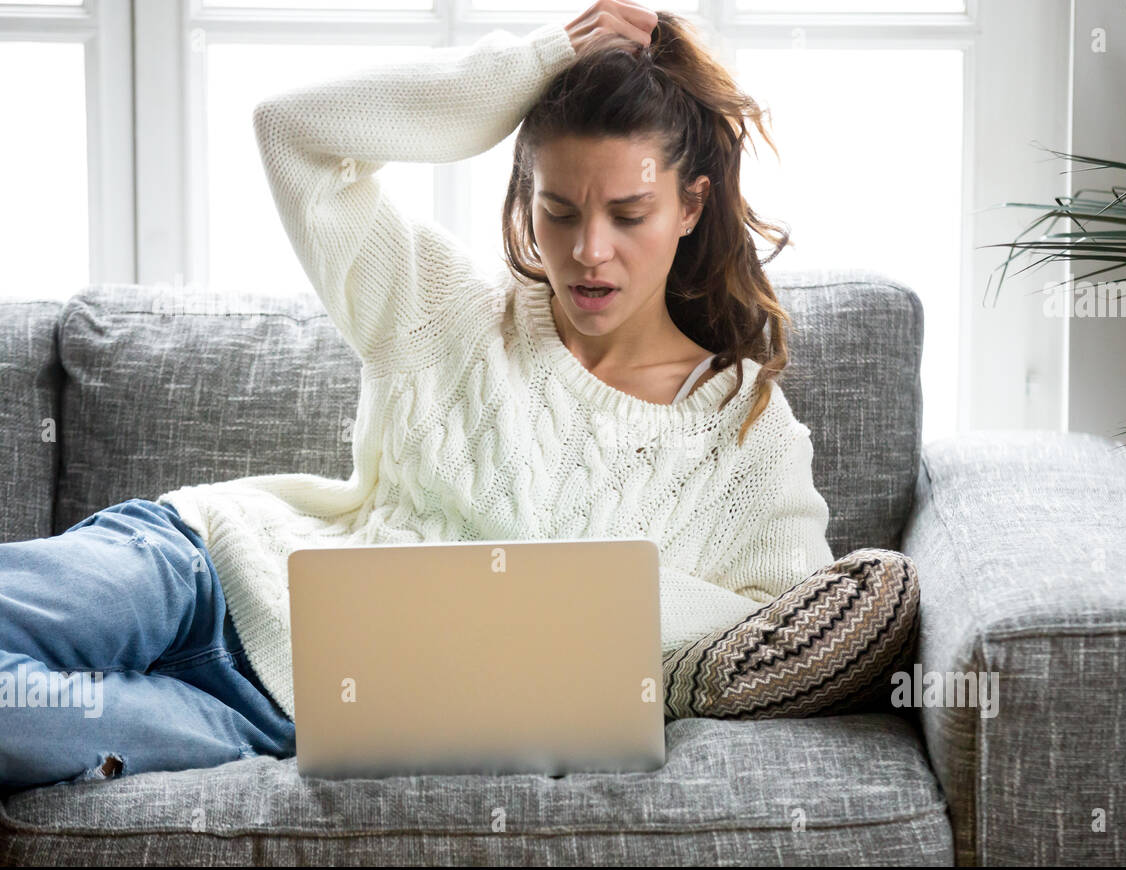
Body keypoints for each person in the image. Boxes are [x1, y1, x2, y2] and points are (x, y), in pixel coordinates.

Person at [0, 0, 835, 792]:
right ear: (526, 201)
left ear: (690, 204)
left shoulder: (747, 433)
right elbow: (291, 131)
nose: (588, 251)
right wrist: (537, 60)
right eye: (558, 209)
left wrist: (617, 602)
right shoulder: (441, 307)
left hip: (275, 717)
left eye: (628, 213)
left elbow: (798, 633)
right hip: (201, 568)